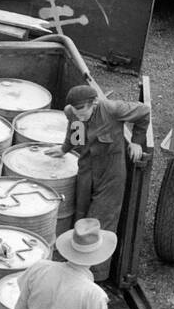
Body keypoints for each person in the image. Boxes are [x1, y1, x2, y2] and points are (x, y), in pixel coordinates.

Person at [48, 84, 150, 231]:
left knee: (102, 220)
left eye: (83, 113)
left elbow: (144, 112)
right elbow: (77, 137)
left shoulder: (112, 109)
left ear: (94, 103)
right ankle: (80, 249)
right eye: (76, 112)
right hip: (87, 169)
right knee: (81, 214)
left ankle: (101, 252)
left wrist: (136, 142)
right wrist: (64, 149)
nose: (79, 116)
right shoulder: (72, 112)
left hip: (110, 172)